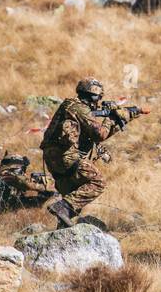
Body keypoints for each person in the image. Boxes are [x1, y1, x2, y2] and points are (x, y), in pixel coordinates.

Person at [40, 78, 147, 227]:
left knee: (75, 199)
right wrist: (111, 119)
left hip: (53, 160)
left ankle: (63, 233)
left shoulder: (69, 107)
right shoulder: (80, 109)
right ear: (94, 96)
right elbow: (101, 134)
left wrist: (127, 114)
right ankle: (61, 207)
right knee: (97, 183)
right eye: (98, 97)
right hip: (66, 157)